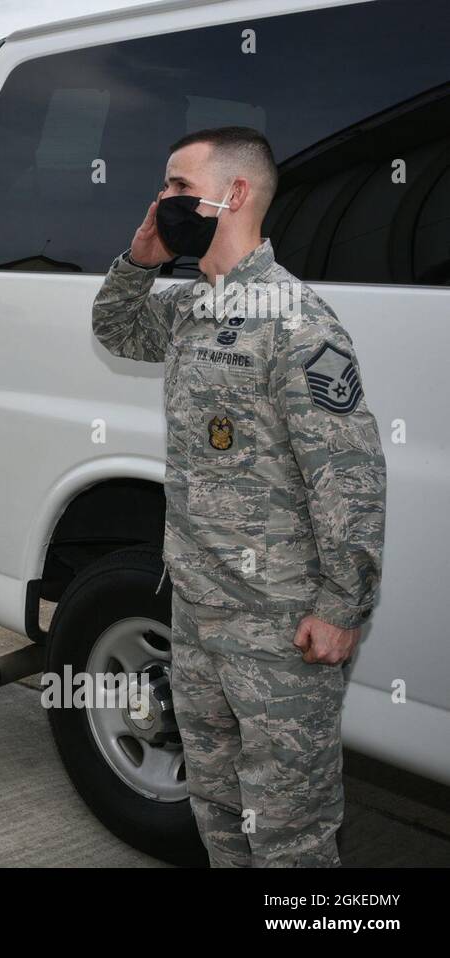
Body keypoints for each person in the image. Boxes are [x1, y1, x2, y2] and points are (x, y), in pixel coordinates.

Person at [91, 126, 386, 866]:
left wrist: (341, 607)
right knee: (219, 810)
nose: (164, 200)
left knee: (290, 833)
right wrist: (139, 260)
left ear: (238, 194)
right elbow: (115, 329)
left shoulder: (298, 322)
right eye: (164, 187)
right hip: (198, 615)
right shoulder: (194, 307)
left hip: (281, 630)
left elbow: (348, 474)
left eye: (179, 188)